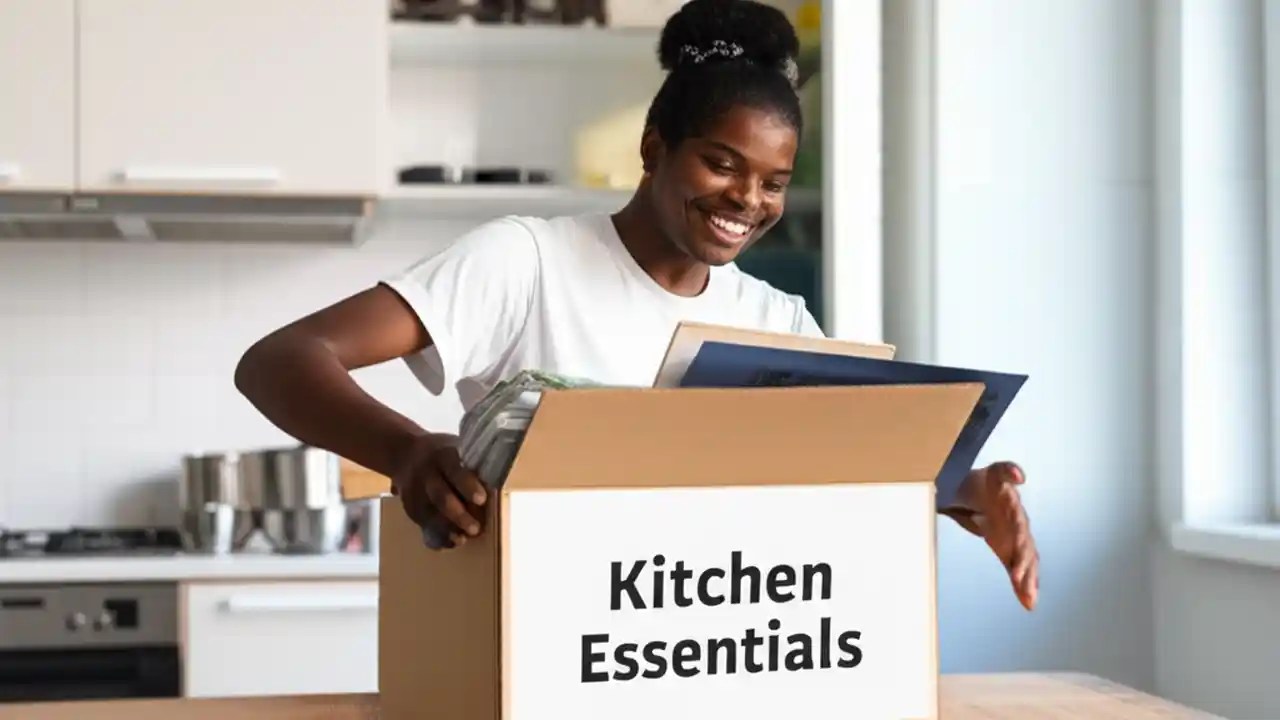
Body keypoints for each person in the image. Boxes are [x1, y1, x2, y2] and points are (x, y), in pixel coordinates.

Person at [234, 0, 1039, 611]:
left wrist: (971, 488)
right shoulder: (529, 260)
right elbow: (279, 361)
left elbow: (851, 464)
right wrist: (409, 451)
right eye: (722, 164)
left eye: (772, 181)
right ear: (654, 148)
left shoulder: (779, 319)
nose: (747, 201)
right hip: (539, 631)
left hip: (701, 645)